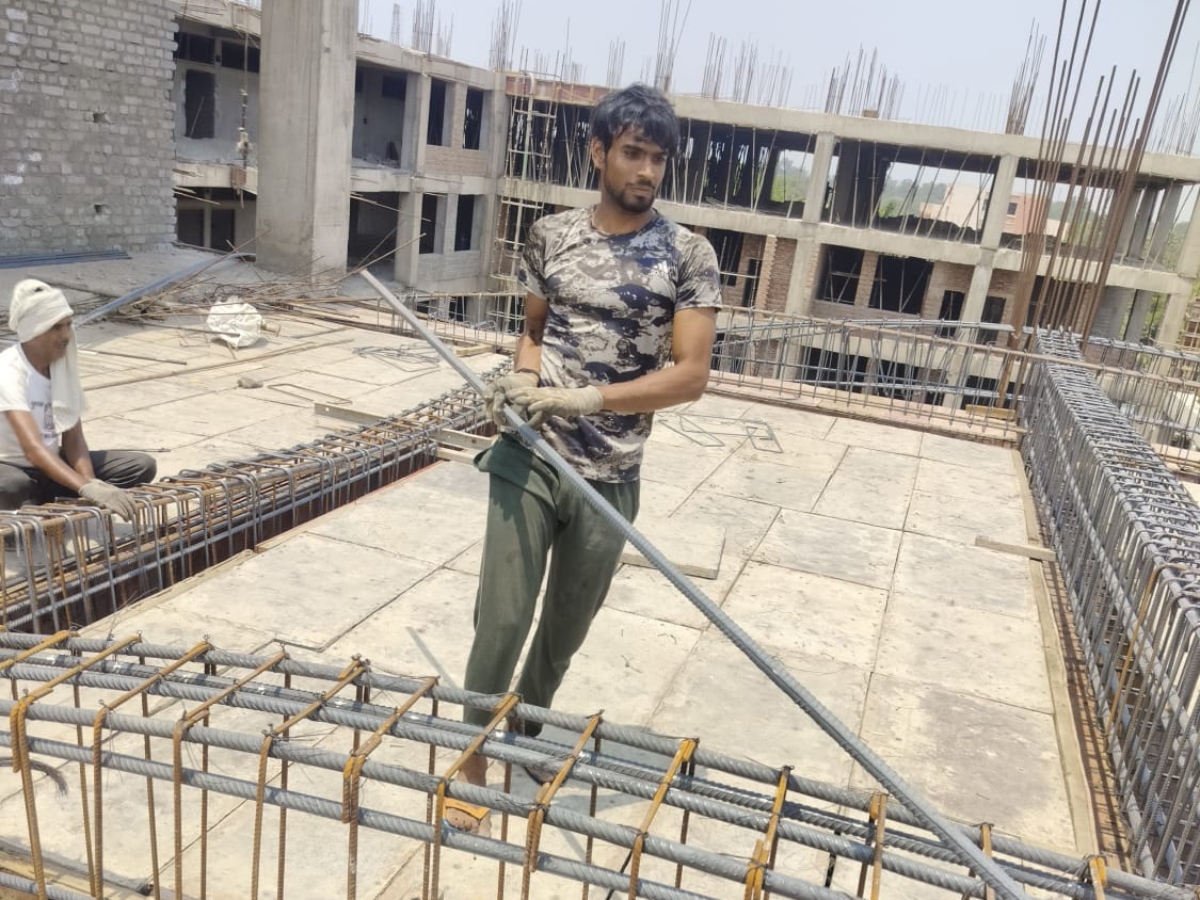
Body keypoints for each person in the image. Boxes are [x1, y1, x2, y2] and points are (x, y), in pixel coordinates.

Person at [444, 84, 722, 834]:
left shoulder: (689, 254)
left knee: (564, 632)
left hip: (613, 471)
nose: (647, 172)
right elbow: (533, 331)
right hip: (531, 455)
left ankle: (524, 735)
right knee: (501, 619)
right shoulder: (551, 237)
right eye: (634, 153)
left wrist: (593, 401)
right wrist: (526, 383)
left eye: (659, 159)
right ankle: (469, 757)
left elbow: (691, 375)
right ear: (598, 152)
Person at [0, 279, 155, 521]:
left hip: (49, 465)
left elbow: (73, 439)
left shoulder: (61, 368)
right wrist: (84, 487)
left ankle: (49, 502)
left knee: (141, 465)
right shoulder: (8, 371)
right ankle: (18, 523)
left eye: (68, 325)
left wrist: (92, 484)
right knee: (12, 485)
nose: (66, 335)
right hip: (13, 467)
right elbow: (32, 449)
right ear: (34, 331)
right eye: (56, 327)